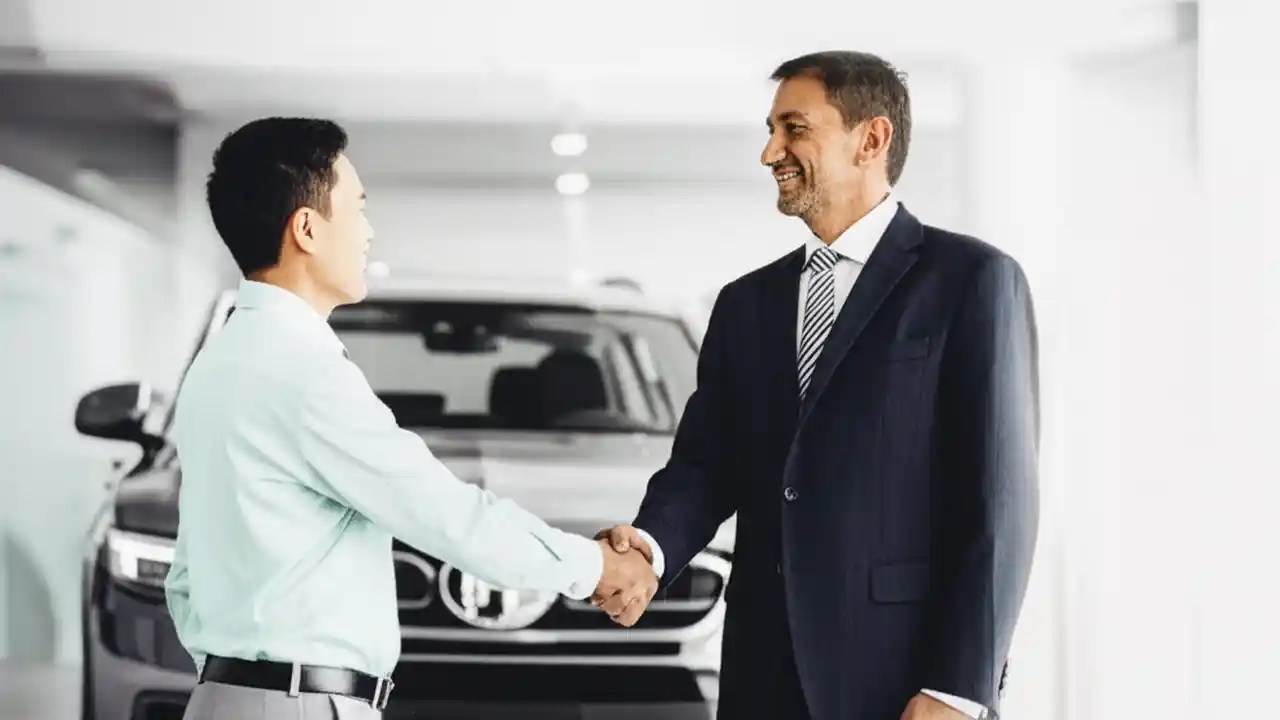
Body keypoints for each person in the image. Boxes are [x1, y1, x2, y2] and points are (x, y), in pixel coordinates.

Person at [596, 51, 1040, 720]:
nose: (770, 152)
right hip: (762, 672)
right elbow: (706, 465)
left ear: (872, 139)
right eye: (771, 130)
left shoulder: (971, 281)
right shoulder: (746, 303)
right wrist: (650, 553)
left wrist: (957, 687)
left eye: (794, 128)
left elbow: (998, 502)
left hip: (901, 679)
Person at [164, 118, 655, 719]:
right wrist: (595, 567)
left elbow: (185, 579)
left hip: (235, 697)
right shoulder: (301, 371)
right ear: (308, 229)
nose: (369, 231)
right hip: (295, 704)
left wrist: (238, 680)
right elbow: (446, 514)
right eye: (358, 208)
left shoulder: (221, 362)